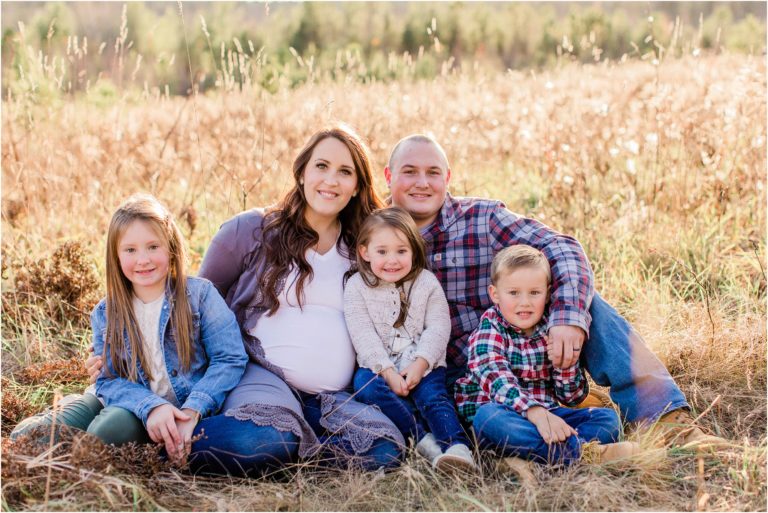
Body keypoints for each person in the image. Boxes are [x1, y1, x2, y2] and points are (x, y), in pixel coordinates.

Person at [383, 133, 726, 448]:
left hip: (522, 346)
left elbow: (560, 247)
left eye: (433, 172)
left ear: (448, 177)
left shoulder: (480, 218)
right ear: (389, 176)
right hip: (452, 378)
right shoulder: (375, 235)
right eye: (410, 172)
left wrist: (566, 319)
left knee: (586, 303)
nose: (422, 183)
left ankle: (665, 419)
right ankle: (570, 444)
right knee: (487, 421)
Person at [12, 194, 291, 476]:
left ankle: (100, 449)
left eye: (153, 246)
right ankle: (76, 409)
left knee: (106, 433)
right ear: (116, 255)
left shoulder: (200, 296)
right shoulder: (106, 312)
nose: (142, 260)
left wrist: (194, 408)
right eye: (130, 250)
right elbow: (109, 380)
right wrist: (152, 407)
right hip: (128, 400)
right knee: (28, 436)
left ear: (170, 248)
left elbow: (229, 358)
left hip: (177, 408)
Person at [195, 125, 404, 471]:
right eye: (321, 166)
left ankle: (296, 449)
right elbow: (197, 303)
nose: (331, 180)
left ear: (356, 188)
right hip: (262, 375)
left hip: (331, 396)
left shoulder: (365, 250)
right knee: (261, 440)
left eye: (345, 172)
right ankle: (167, 442)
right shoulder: (252, 231)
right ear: (302, 172)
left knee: (383, 451)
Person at [455, 245, 641, 466]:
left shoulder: (551, 329)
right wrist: (535, 412)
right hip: (507, 416)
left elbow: (572, 397)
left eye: (534, 293)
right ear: (495, 294)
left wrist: (565, 365)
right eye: (513, 293)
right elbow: (497, 380)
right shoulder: (490, 328)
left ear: (548, 292)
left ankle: (536, 457)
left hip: (550, 417)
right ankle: (585, 454)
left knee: (607, 419)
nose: (524, 302)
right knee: (489, 418)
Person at [344, 207, 476, 471]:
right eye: (382, 252)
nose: (392, 260)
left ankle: (458, 448)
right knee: (365, 386)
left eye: (401, 251)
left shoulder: (425, 282)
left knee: (433, 396)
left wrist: (421, 363)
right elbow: (363, 334)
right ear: (365, 252)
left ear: (414, 251)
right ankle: (423, 441)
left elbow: (438, 326)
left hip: (422, 362)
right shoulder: (357, 286)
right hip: (379, 367)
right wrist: (388, 372)